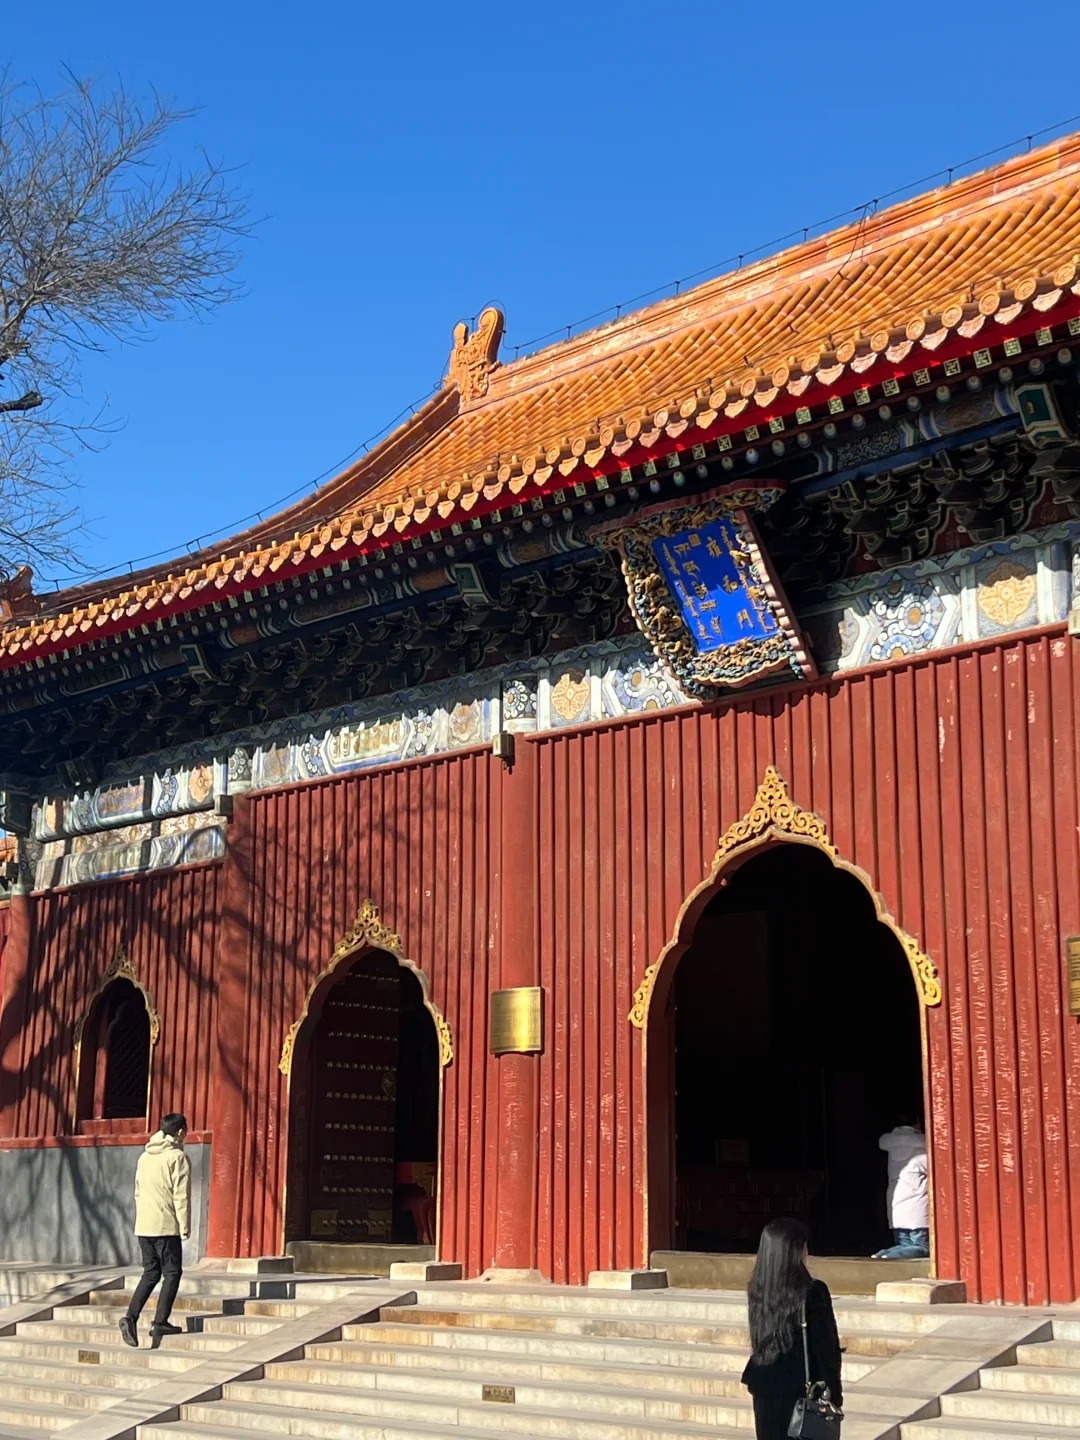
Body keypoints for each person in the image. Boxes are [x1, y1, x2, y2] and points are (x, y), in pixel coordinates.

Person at [742, 1218, 843, 1440]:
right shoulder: (813, 1291)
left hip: (764, 1382)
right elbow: (825, 1347)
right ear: (795, 1250)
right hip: (801, 1389)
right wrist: (834, 1393)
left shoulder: (758, 1289)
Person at [119, 1113, 191, 1347]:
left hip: (144, 1226)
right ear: (180, 1132)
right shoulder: (177, 1157)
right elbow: (181, 1196)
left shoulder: (145, 1156)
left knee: (151, 1273)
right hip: (165, 1225)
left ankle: (130, 1317)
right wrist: (184, 1226)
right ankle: (160, 1321)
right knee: (172, 1273)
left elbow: (137, 1191)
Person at [872, 1115, 929, 1259]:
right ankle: (888, 1256)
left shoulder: (892, 1152)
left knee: (904, 1246)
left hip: (897, 1210)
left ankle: (883, 1254)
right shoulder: (921, 1155)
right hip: (917, 1214)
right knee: (922, 1248)